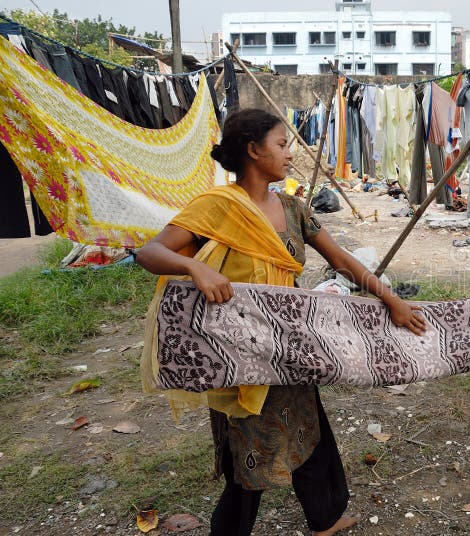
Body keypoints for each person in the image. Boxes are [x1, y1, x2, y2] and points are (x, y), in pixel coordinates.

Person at [136, 109, 427, 536]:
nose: (290, 153)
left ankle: (324, 518)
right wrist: (195, 268)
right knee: (249, 445)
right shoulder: (217, 208)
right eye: (281, 143)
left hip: (289, 343)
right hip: (239, 353)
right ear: (253, 150)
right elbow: (150, 253)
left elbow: (341, 260)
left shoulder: (293, 208)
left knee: (307, 424)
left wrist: (391, 299)